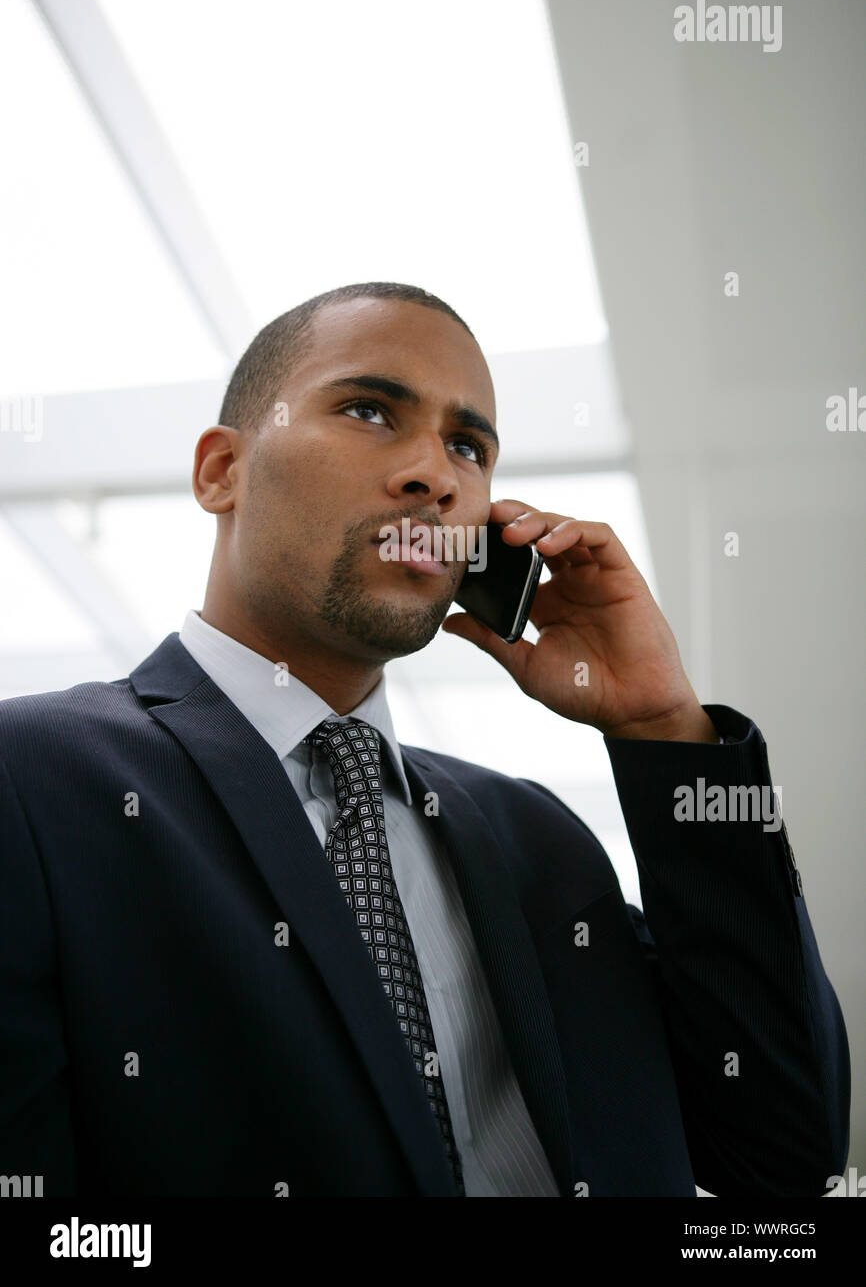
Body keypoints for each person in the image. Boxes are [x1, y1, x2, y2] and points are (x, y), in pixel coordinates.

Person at [0, 282, 849, 1197]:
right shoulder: (36, 779)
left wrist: (665, 731)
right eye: (368, 409)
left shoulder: (540, 842)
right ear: (221, 471)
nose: (434, 477)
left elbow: (783, 1149)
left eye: (468, 447)